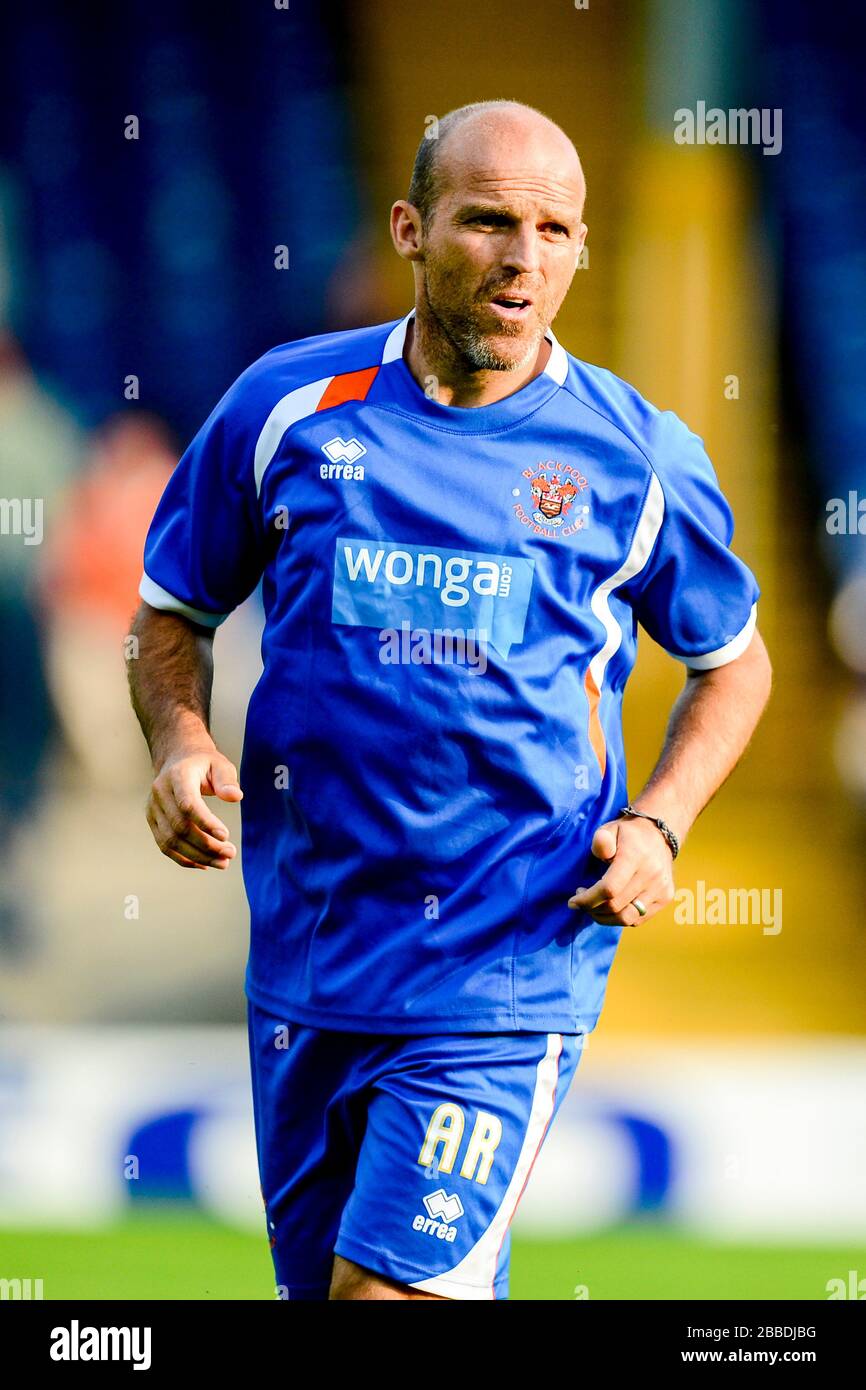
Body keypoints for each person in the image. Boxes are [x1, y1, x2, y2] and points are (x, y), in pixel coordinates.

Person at [128, 100, 772, 1301]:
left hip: (508, 958)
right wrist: (177, 739)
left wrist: (661, 820)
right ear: (410, 229)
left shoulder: (633, 458)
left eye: (554, 228)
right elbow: (172, 609)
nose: (524, 257)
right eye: (487, 221)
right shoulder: (285, 408)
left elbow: (732, 660)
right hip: (310, 957)